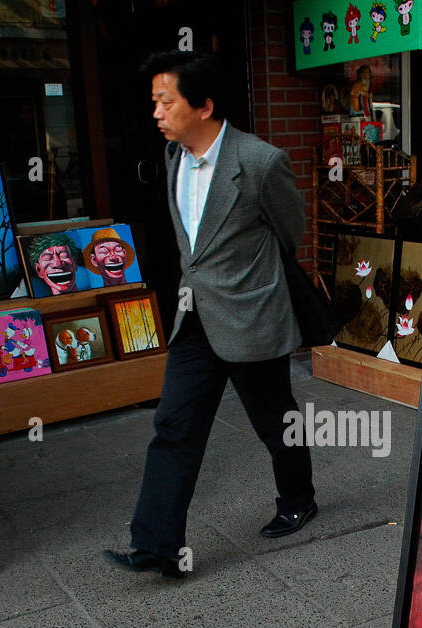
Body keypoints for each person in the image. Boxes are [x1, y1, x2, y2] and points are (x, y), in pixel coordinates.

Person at [106, 50, 316, 580]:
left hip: (250, 314)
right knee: (174, 425)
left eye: (165, 101)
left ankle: (299, 497)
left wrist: (254, 279)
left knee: (275, 421)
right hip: (194, 315)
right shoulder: (173, 158)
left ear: (203, 106)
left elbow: (291, 233)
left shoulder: (260, 161)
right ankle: (158, 545)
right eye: (154, 101)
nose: (155, 112)